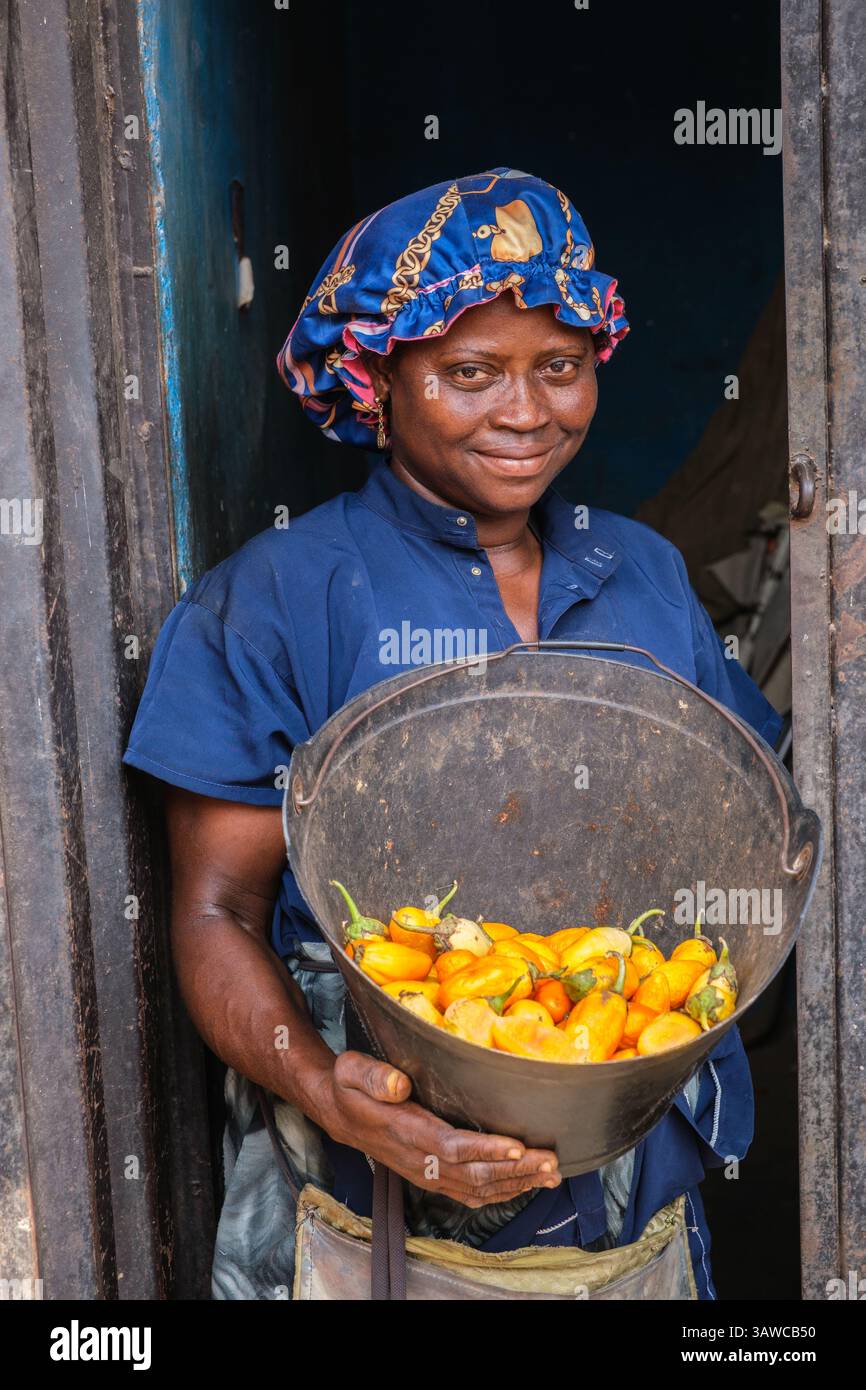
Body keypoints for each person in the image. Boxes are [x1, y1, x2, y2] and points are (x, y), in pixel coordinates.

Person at [123, 168, 782, 1300]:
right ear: (378, 380)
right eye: (469, 374)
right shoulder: (279, 598)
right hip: (378, 1237)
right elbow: (213, 911)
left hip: (642, 1233)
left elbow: (734, 820)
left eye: (559, 367)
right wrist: (335, 1094)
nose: (525, 412)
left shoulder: (643, 574)